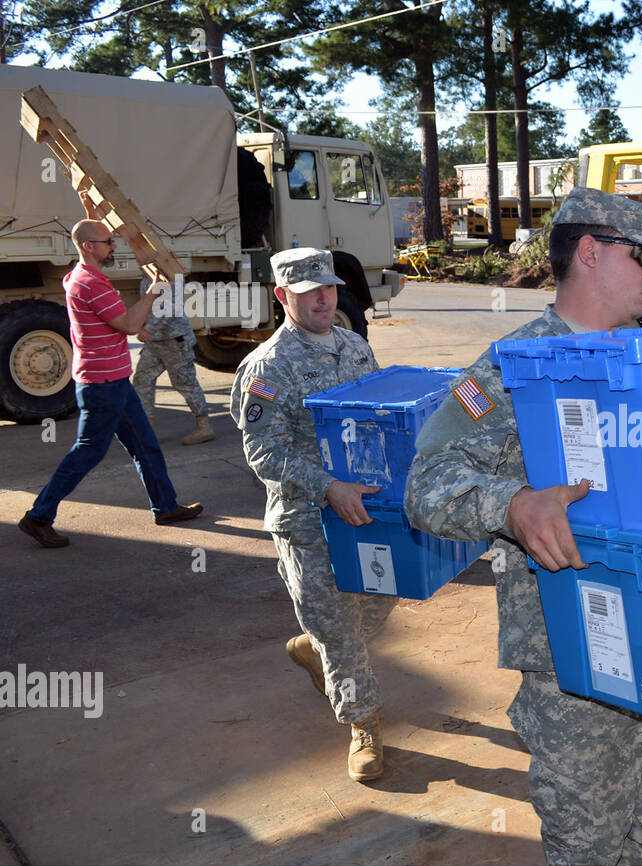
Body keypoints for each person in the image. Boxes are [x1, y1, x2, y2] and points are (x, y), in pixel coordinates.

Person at [404, 188, 642, 866]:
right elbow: (425, 484)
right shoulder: (510, 368)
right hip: (571, 648)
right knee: (588, 837)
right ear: (590, 252)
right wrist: (513, 504)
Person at [229, 247, 398, 783]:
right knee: (339, 627)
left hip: (365, 510)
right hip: (305, 518)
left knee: (378, 604)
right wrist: (328, 486)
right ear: (283, 297)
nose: (324, 299)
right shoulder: (267, 366)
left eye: (327, 288)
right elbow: (263, 452)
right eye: (308, 293)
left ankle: (313, 647)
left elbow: (376, 416)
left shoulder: (354, 346)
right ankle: (362, 723)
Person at [18, 193, 202, 549]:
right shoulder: (93, 284)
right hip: (103, 385)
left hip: (112, 379)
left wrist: (91, 215)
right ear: (89, 247)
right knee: (88, 451)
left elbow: (86, 240)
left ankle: (165, 506)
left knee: (145, 445)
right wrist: (152, 293)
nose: (114, 245)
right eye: (108, 242)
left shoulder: (78, 274)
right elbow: (129, 325)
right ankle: (38, 516)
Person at [132, 276, 214, 444]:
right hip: (155, 342)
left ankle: (204, 426)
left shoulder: (170, 275)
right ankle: (146, 430)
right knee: (142, 379)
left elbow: (169, 307)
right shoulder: (147, 276)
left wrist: (148, 329)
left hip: (175, 339)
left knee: (184, 382)